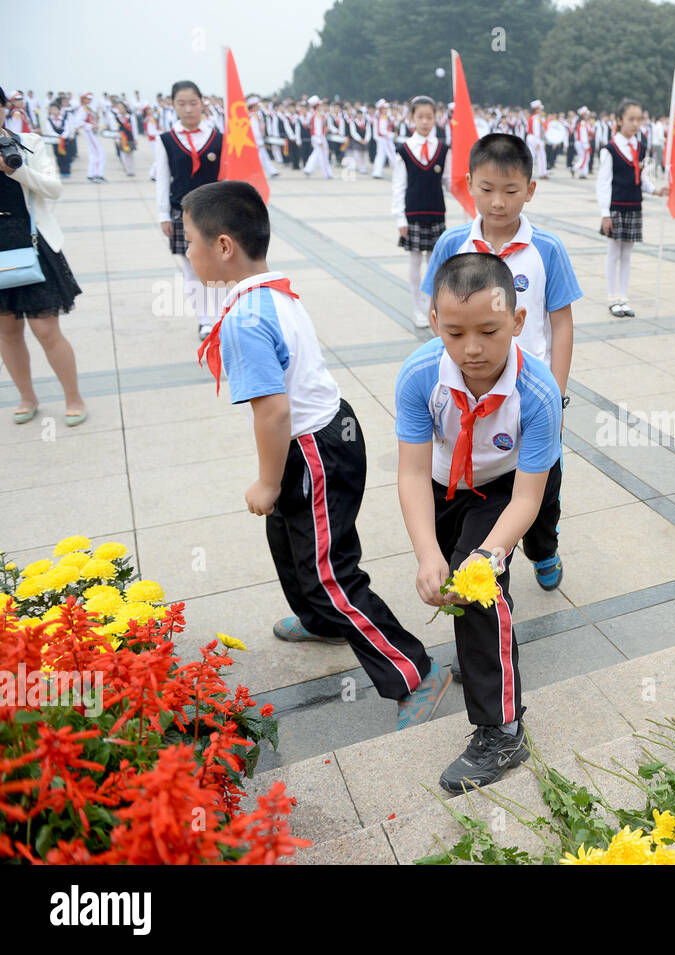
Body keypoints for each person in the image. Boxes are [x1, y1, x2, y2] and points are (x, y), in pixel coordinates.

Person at [185, 180, 447, 730]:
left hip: (313, 450)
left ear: (224, 246)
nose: (187, 253)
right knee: (289, 540)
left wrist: (267, 481)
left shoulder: (246, 319)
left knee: (329, 569)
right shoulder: (269, 292)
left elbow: (273, 413)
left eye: (191, 241)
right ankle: (322, 619)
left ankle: (413, 672)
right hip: (324, 436)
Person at [395, 253, 563, 791]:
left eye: (489, 331)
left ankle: (501, 730)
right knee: (446, 574)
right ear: (434, 322)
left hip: (504, 488)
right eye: (455, 332)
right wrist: (425, 552)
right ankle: (482, 656)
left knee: (477, 590)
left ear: (516, 323)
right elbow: (412, 472)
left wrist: (488, 555)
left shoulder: (536, 392)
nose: (471, 349)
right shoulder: (421, 374)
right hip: (443, 484)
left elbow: (529, 495)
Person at [421, 133, 580, 592]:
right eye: (487, 189)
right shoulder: (452, 244)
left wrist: (559, 392)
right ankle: (480, 552)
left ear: (530, 190)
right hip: (470, 389)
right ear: (469, 184)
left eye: (511, 191)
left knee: (543, 486)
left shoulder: (545, 249)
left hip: (530, 394)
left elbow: (561, 323)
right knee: (483, 478)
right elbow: (440, 319)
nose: (498, 202)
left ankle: (543, 548)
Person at [0, 87, 86, 427]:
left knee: (46, 329)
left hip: (33, 242)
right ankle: (26, 397)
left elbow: (54, 189)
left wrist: (15, 170)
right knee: (6, 331)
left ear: (5, 108)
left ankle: (73, 397)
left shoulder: (30, 143)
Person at [154, 80, 223, 340]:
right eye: (181, 103)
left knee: (217, 266)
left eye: (193, 103)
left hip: (216, 214)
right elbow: (162, 178)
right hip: (182, 214)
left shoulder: (218, 138)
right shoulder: (166, 140)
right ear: (173, 105)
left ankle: (219, 316)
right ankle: (204, 320)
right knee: (192, 269)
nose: (188, 109)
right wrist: (163, 215)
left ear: (202, 102)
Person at [597, 98, 667, 318]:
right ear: (619, 120)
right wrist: (605, 214)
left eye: (639, 119)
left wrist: (655, 190)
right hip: (616, 207)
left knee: (627, 254)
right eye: (631, 119)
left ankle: (623, 297)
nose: (635, 124)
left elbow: (642, 177)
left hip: (634, 206)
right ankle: (612, 298)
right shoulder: (610, 149)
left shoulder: (641, 146)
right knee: (613, 252)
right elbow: (603, 183)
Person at [392, 96, 447, 330]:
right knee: (415, 261)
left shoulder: (443, 149)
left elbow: (448, 180)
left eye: (430, 117)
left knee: (435, 263)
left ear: (436, 118)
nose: (425, 121)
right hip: (413, 212)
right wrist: (399, 217)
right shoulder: (404, 150)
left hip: (436, 211)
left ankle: (433, 307)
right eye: (420, 117)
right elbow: (398, 186)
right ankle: (417, 307)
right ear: (412, 118)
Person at [73, 93, 107, 183]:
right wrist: (91, 126)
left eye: (90, 99)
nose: (89, 100)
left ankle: (91, 175)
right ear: (83, 99)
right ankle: (97, 175)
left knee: (93, 154)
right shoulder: (82, 109)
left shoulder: (87, 108)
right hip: (89, 132)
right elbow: (78, 122)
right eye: (87, 99)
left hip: (91, 132)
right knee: (99, 154)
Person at [303, 96, 332, 179]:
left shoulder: (316, 113)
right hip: (318, 137)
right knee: (323, 156)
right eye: (321, 104)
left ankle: (308, 168)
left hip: (317, 136)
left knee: (316, 153)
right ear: (318, 105)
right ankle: (327, 174)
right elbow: (317, 128)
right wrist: (320, 140)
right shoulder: (317, 114)